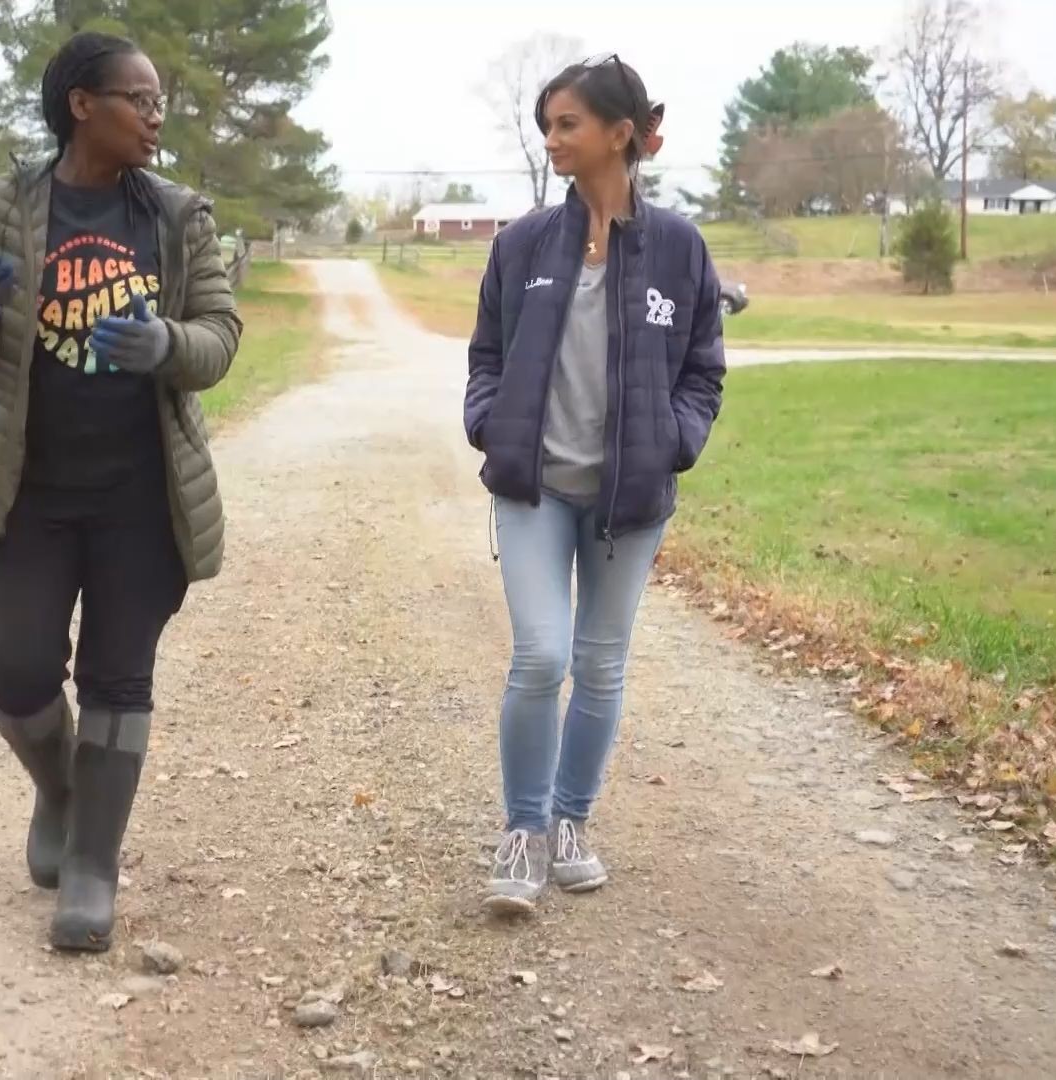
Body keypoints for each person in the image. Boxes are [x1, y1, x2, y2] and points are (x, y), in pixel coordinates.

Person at [0, 30, 242, 951]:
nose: (155, 116)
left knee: (117, 677)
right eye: (139, 100)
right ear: (82, 105)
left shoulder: (176, 215)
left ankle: (93, 865)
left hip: (140, 496)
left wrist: (166, 344)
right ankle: (62, 791)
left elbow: (220, 334)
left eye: (159, 102)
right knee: (19, 675)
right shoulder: (7, 203)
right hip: (29, 491)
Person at [462, 55, 725, 914]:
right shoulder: (521, 244)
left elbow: (703, 369)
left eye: (567, 123)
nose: (552, 138)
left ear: (620, 134)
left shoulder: (680, 248)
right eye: (547, 124)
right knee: (541, 655)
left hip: (629, 499)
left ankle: (571, 820)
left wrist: (674, 441)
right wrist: (491, 423)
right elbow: (487, 356)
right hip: (535, 488)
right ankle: (523, 829)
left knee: (601, 663)